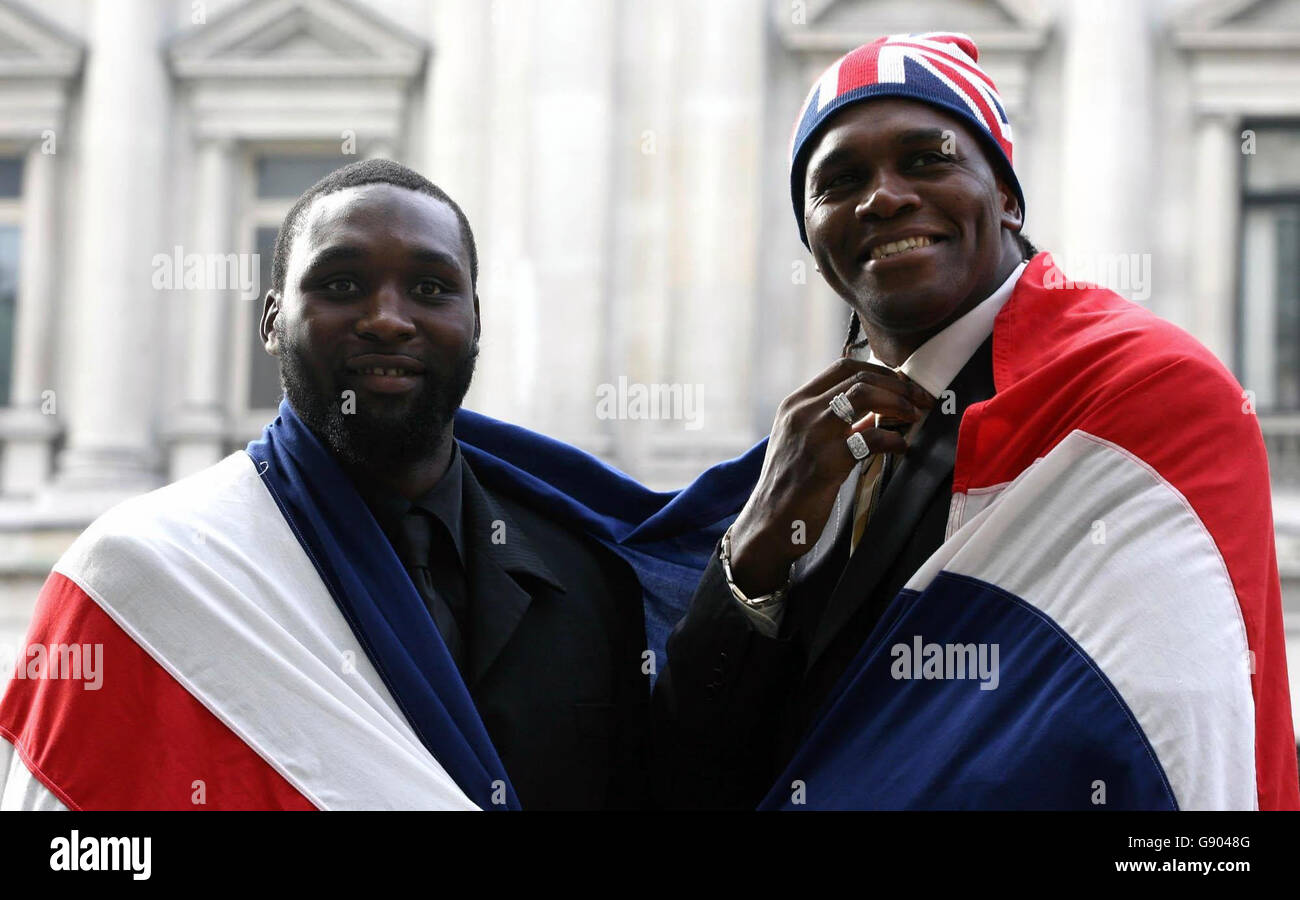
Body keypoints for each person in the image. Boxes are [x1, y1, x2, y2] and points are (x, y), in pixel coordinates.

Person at [652, 32, 1300, 810]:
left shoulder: (1143, 395)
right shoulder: (804, 456)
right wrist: (756, 543)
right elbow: (692, 758)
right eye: (839, 181)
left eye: (927, 159)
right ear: (812, 243)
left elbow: (1184, 756)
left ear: (1007, 198)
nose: (883, 197)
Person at [0, 159, 650, 810]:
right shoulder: (143, 575)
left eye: (429, 288)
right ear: (272, 320)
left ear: (475, 321)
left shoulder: (588, 577)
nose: (389, 320)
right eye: (342, 284)